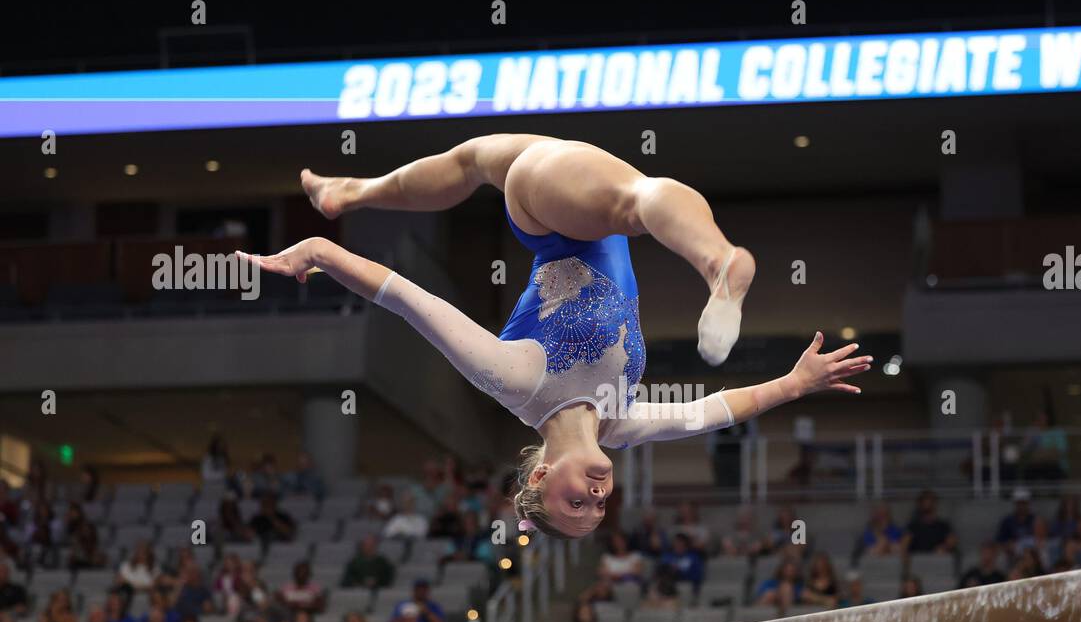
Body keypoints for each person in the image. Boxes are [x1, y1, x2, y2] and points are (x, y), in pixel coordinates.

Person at [250, 134, 871, 539]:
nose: (598, 500)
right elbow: (711, 412)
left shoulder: (519, 383)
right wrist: (794, 384)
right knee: (470, 164)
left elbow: (415, 303)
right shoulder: (618, 421)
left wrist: (321, 252)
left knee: (635, 204)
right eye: (599, 510)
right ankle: (349, 191)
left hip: (549, 217)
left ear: (542, 477)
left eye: (579, 505)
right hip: (566, 195)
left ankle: (720, 268)